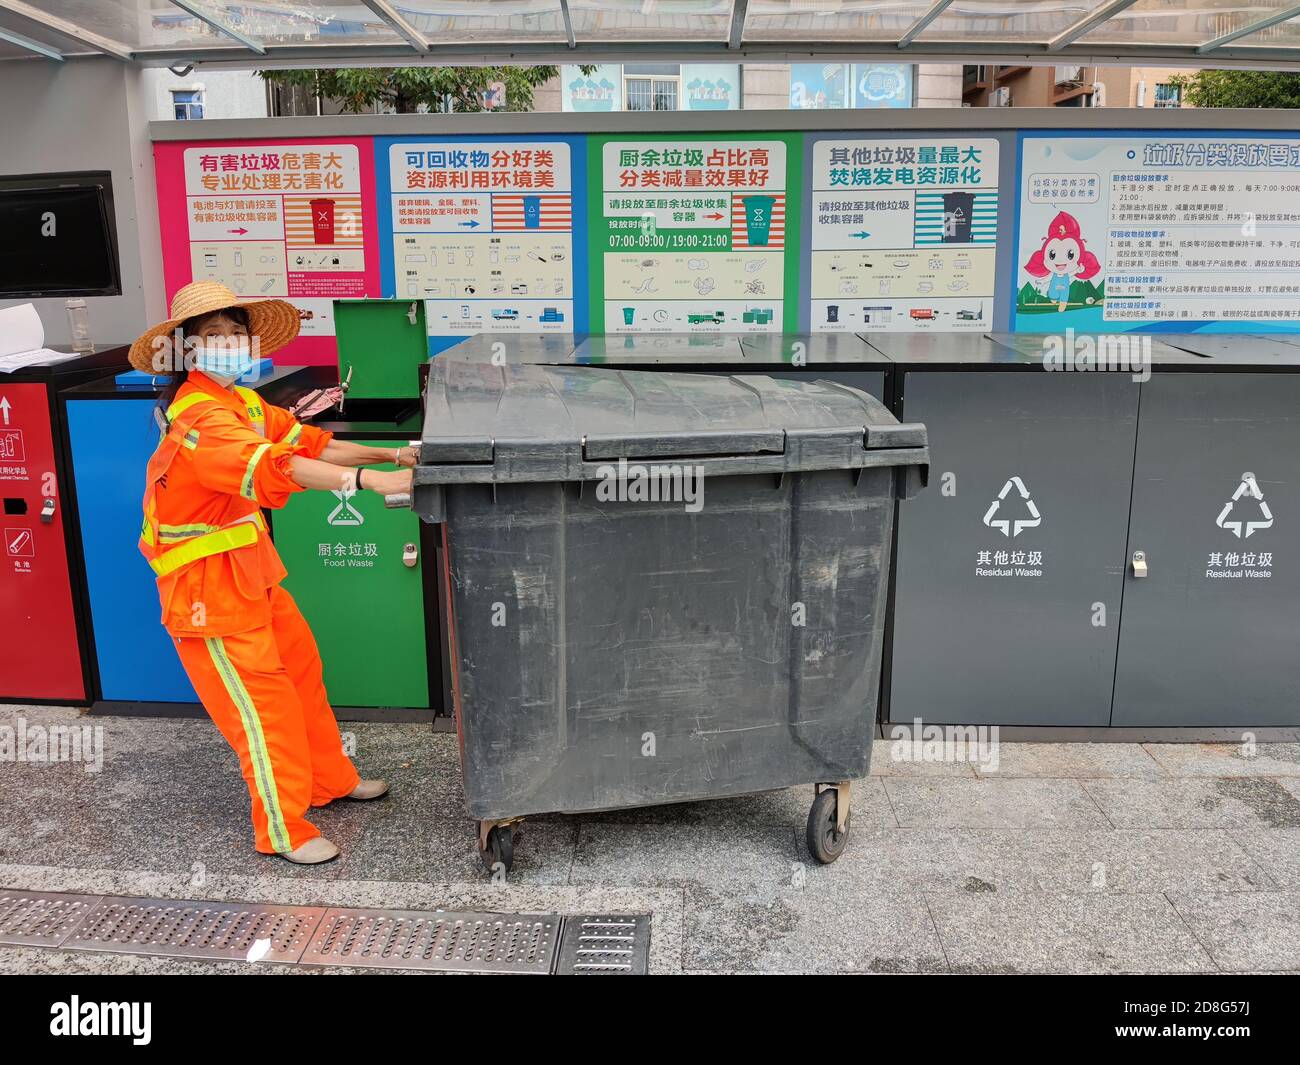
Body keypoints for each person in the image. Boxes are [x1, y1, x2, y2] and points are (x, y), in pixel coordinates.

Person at [129, 281, 416, 864]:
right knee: (263, 710)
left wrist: (393, 453)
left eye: (237, 332)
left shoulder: (243, 403)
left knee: (302, 675)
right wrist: (370, 484)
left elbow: (308, 442)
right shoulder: (201, 418)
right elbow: (273, 464)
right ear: (185, 351)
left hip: (250, 575)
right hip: (206, 593)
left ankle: (327, 781)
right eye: (213, 335)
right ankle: (283, 829)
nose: (230, 343)